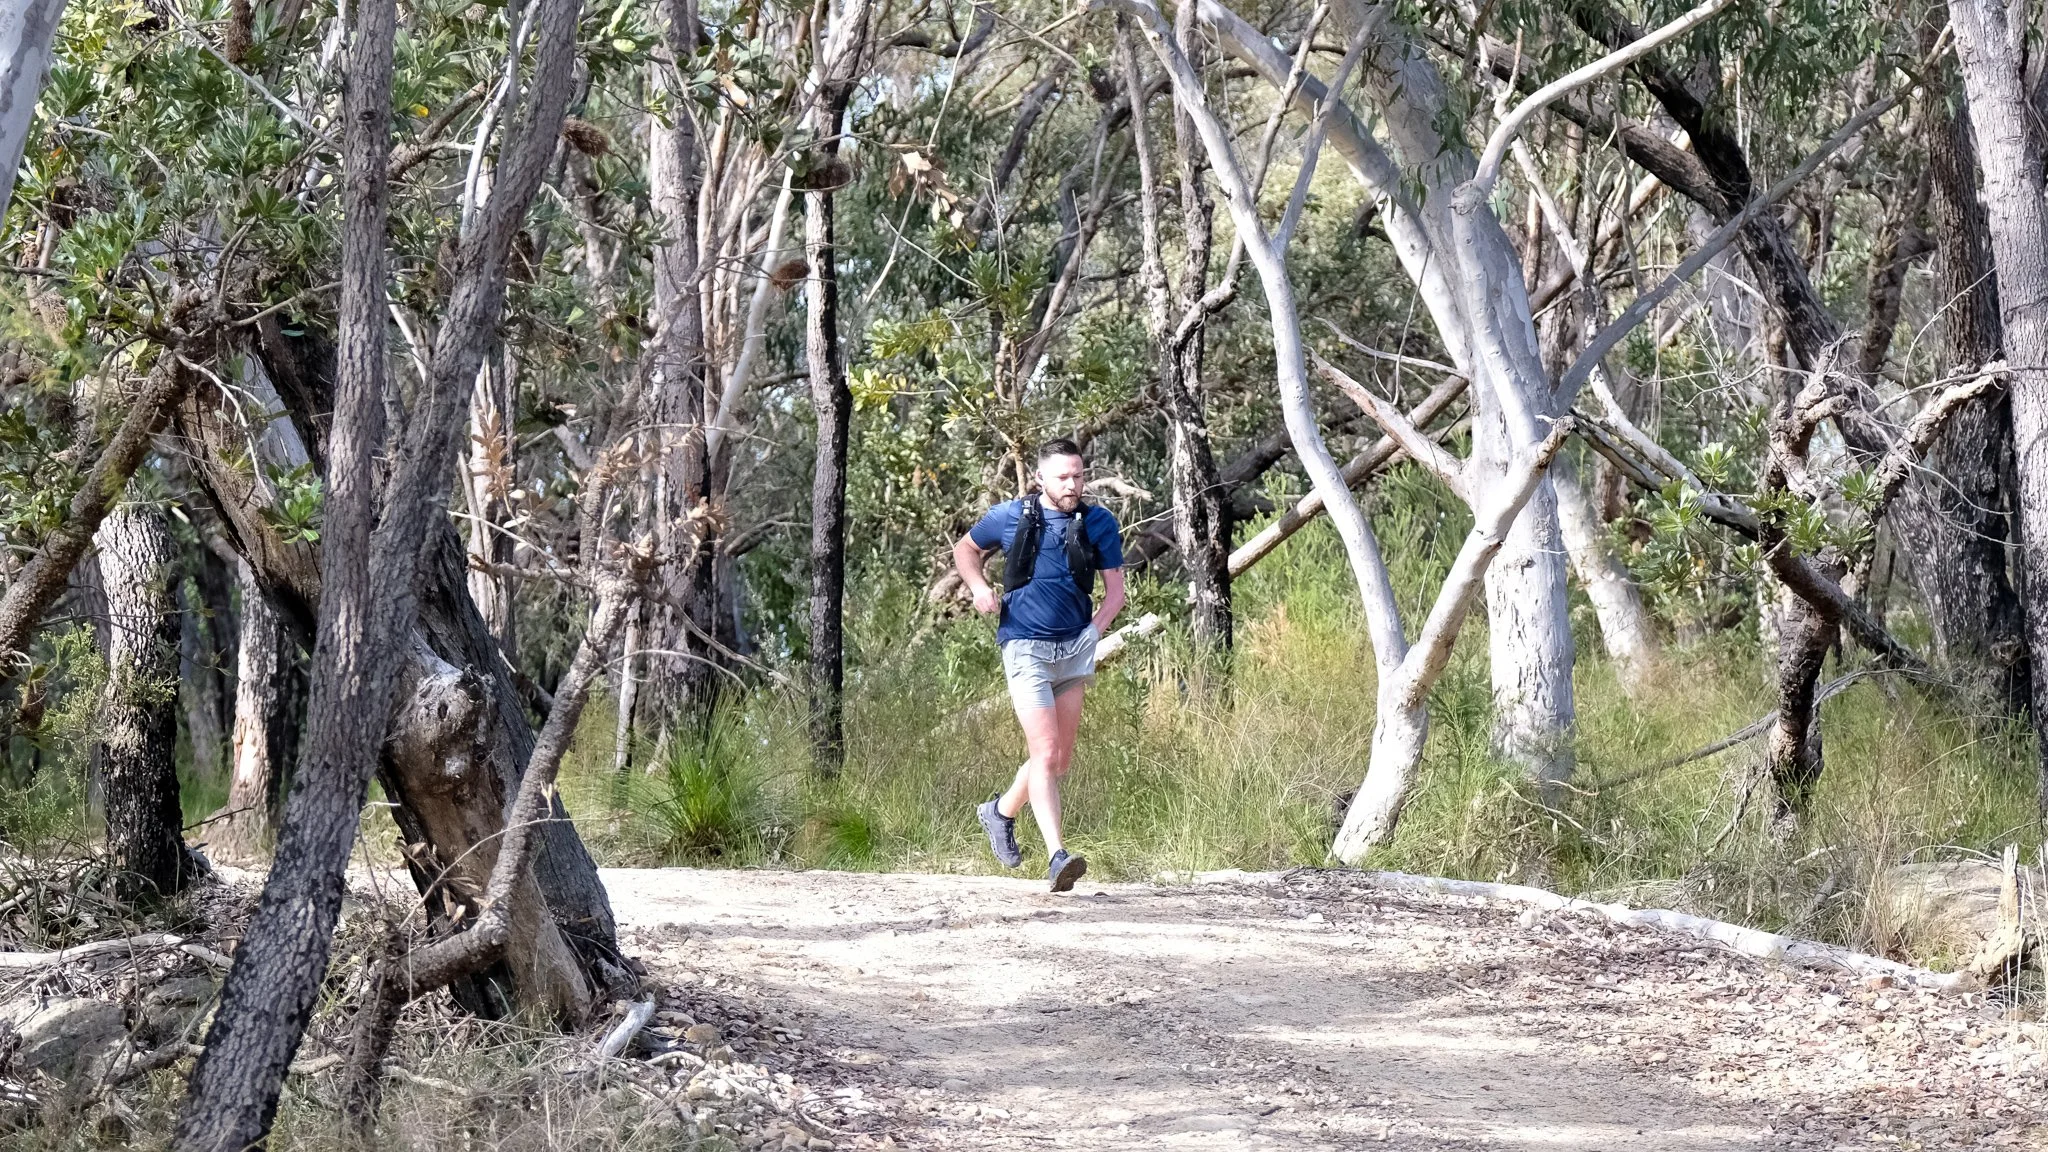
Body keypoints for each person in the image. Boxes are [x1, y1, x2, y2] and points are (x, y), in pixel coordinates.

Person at [952, 438, 1125, 892]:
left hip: (1074, 648)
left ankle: (999, 812)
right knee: (1045, 752)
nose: (1073, 484)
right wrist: (978, 586)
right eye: (1063, 477)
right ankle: (1057, 856)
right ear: (1040, 479)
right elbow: (965, 551)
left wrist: (1094, 631)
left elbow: (1115, 595)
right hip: (1024, 645)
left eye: (1079, 475)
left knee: (1058, 759)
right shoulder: (1011, 516)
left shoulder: (1099, 523)